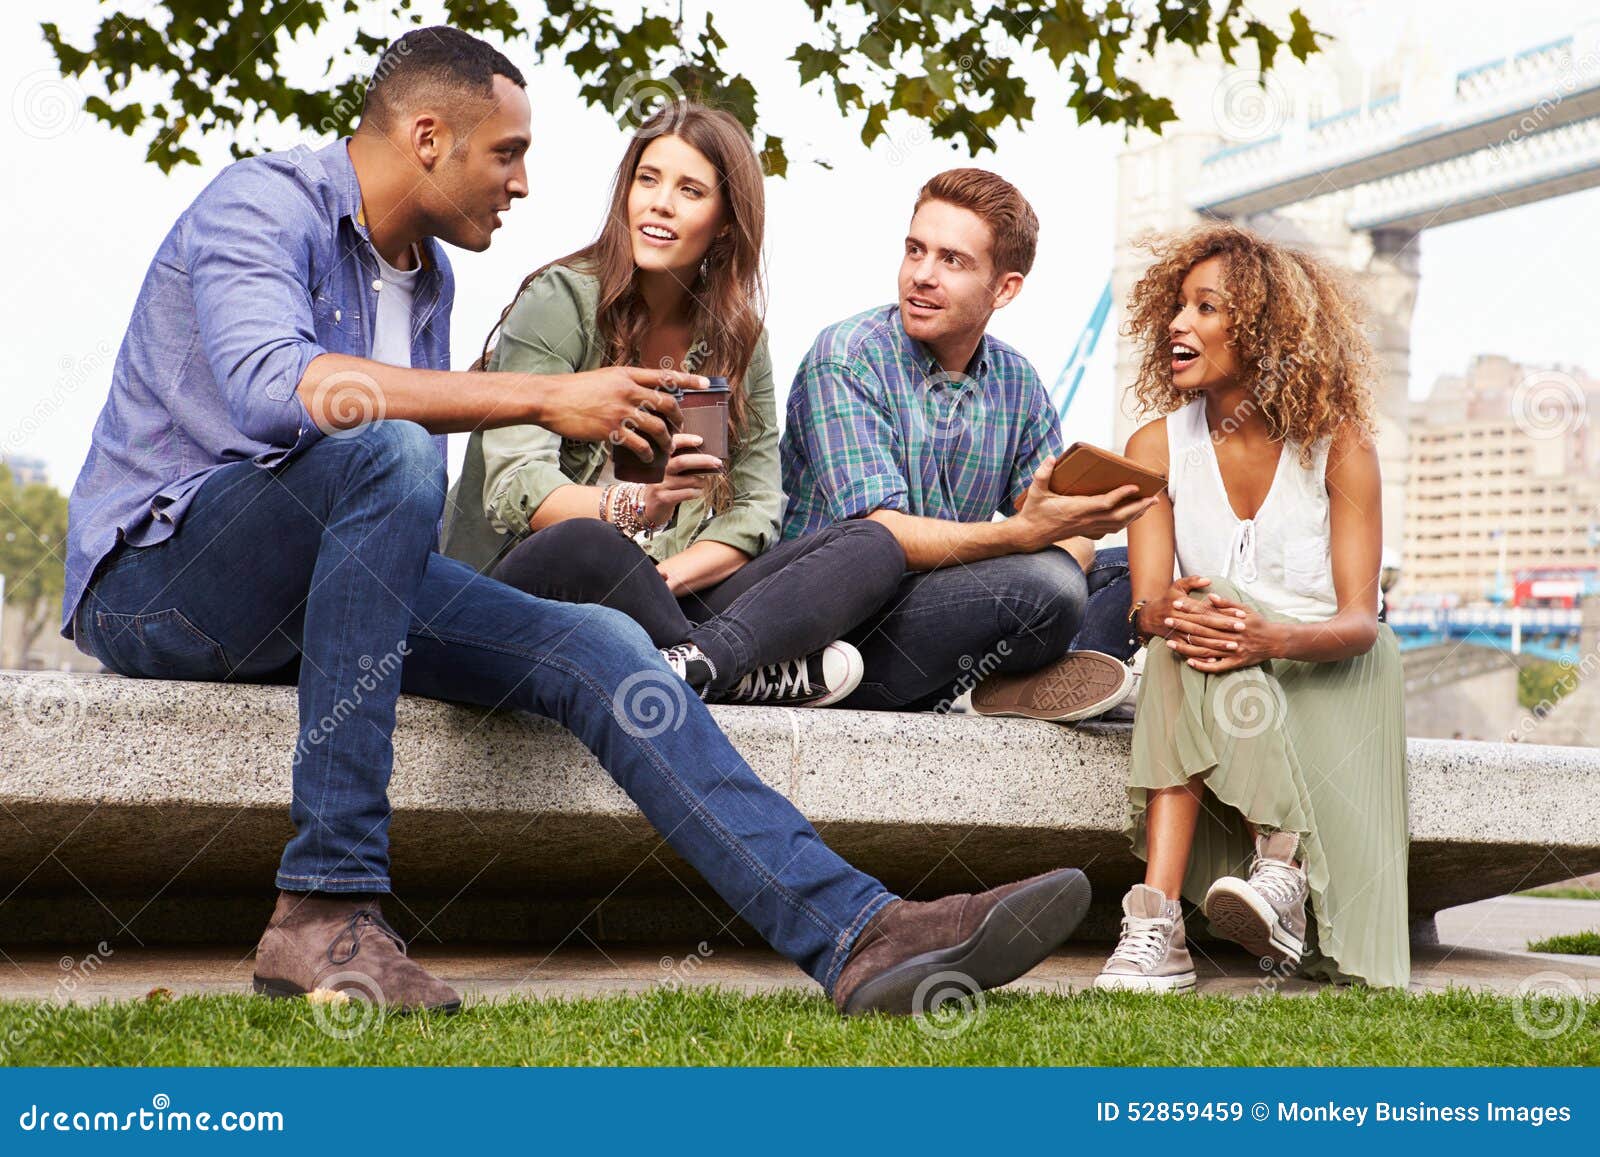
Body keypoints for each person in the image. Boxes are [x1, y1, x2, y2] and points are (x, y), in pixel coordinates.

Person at [62, 27, 1091, 1016]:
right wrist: (539, 398)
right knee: (378, 445)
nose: (522, 182)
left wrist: (645, 497)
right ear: (430, 138)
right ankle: (326, 904)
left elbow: (395, 491)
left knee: (602, 644)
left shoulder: (429, 275)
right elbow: (272, 393)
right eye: (507, 154)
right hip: (162, 584)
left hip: (335, 589)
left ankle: (859, 929)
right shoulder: (260, 203)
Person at [442, 103, 904, 708]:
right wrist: (642, 506)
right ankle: (739, 670)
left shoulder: (740, 339)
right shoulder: (561, 300)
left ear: (726, 225)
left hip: (664, 594)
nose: (660, 203)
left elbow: (759, 508)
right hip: (521, 594)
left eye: (690, 190)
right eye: (648, 179)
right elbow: (517, 488)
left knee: (873, 545)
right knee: (590, 542)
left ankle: (703, 662)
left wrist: (664, 580)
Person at [1093, 223, 1408, 993]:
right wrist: (1173, 614)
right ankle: (1199, 904)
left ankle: (1188, 912)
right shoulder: (1156, 446)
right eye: (1177, 306)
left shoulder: (1342, 446)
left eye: (1206, 308)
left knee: (1211, 616)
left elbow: (1360, 622)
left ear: (1265, 330)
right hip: (1210, 668)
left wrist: (1269, 636)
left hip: (1329, 671)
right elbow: (1145, 609)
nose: (1178, 323)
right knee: (1188, 623)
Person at [781, 168, 1153, 718]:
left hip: (962, 603)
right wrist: (1027, 536)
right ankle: (1030, 679)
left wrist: (1051, 531)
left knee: (1131, 569)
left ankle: (1022, 684)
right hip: (849, 632)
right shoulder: (847, 357)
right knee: (1044, 585)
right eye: (915, 251)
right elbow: (880, 539)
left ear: (1004, 288)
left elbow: (1065, 534)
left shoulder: (1016, 381)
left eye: (951, 260)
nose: (921, 276)